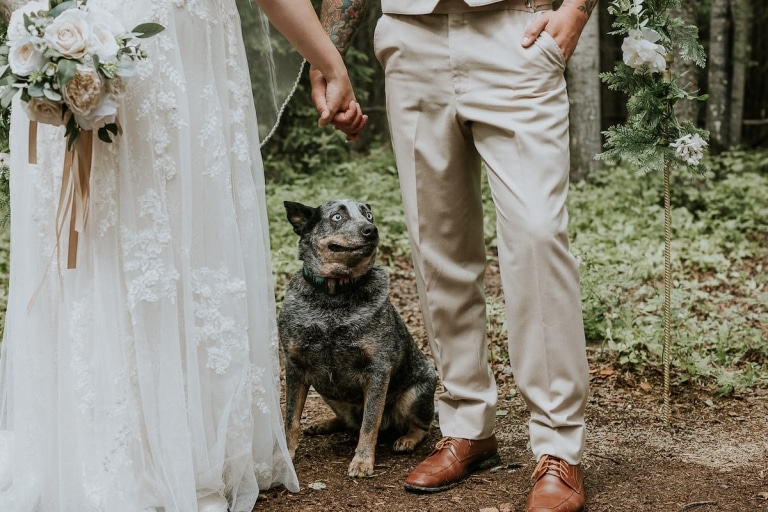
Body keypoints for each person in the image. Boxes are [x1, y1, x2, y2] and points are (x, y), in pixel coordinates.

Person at [0, 0, 365, 511]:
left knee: (157, 238)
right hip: (119, 48)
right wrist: (46, 36)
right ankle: (119, 448)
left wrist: (330, 60)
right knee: (123, 237)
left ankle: (149, 444)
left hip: (171, 56)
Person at [312, 0, 594, 510]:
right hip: (411, 39)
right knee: (437, 243)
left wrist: (575, 9)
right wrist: (327, 50)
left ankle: (557, 447)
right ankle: (466, 426)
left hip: (519, 31)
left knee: (538, 235)